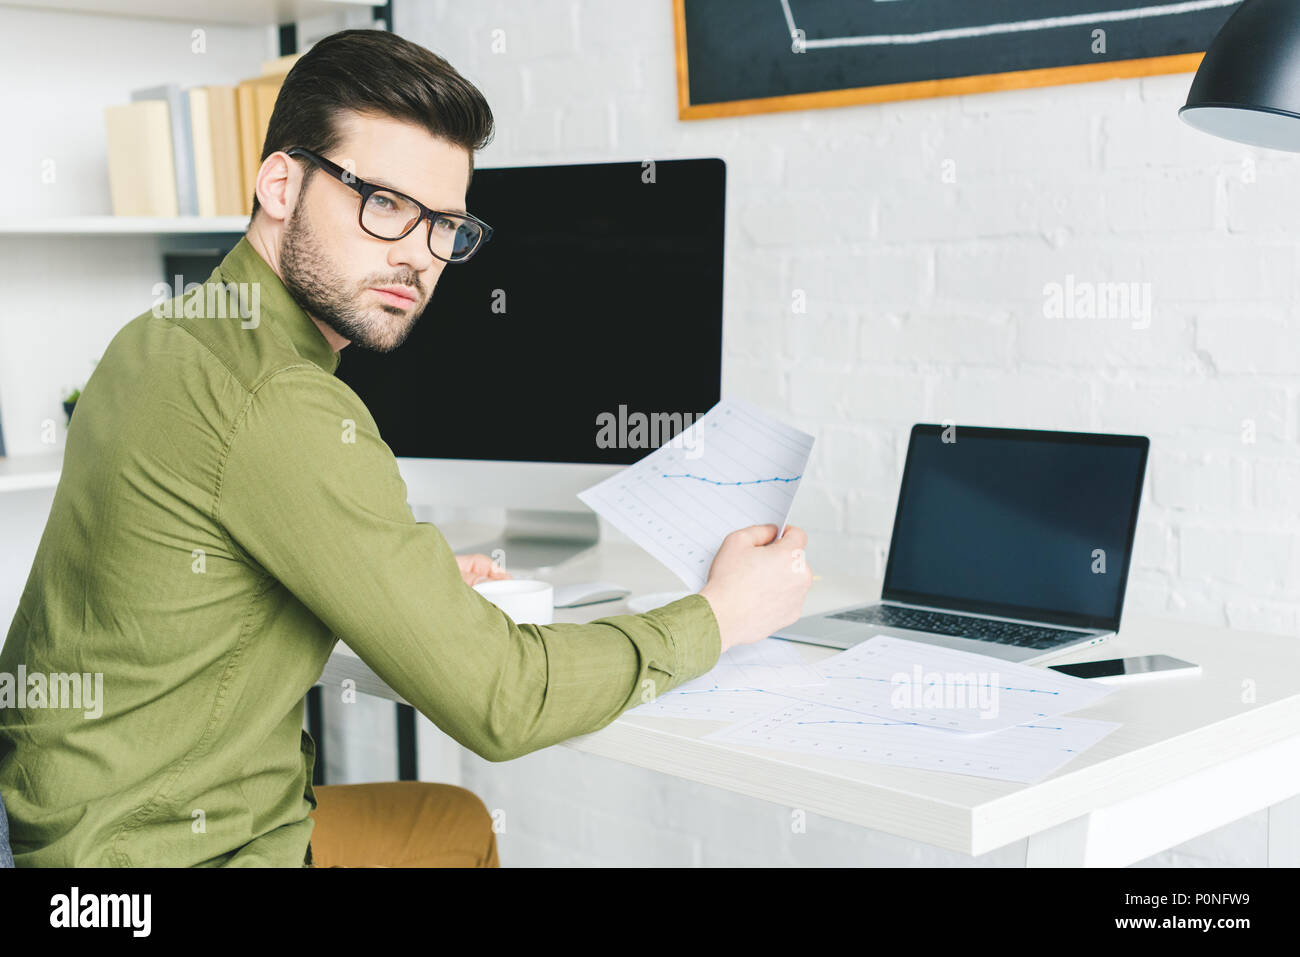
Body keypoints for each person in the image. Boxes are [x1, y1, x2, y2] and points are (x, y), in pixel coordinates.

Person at [0, 28, 812, 867]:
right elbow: (504, 702)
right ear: (279, 182)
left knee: (447, 822)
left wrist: (395, 577)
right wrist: (720, 615)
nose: (418, 257)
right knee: (461, 829)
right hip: (177, 854)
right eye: (383, 202)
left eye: (446, 227)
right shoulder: (288, 405)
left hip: (58, 828)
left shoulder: (162, 335)